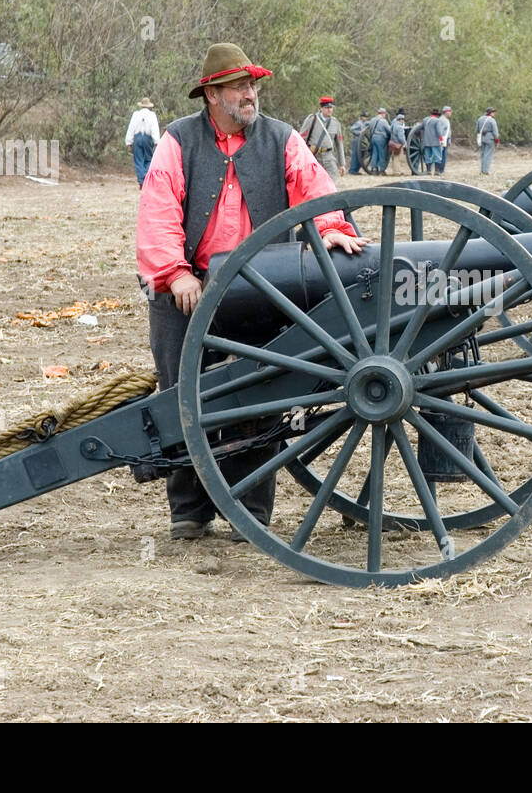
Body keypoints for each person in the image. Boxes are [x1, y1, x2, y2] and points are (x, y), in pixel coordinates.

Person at [137, 43, 368, 540]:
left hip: (262, 285)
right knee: (181, 393)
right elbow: (157, 211)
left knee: (259, 394)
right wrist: (175, 274)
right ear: (213, 94)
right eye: (241, 86)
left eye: (254, 85)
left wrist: (330, 226)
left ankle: (249, 511)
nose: (251, 94)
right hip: (189, 284)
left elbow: (313, 185)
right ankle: (190, 510)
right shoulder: (178, 140)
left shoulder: (280, 138)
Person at [299, 97, 344, 181]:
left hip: (329, 157)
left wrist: (342, 164)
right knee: (315, 184)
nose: (329, 110)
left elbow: (339, 144)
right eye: (327, 108)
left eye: (331, 108)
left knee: (332, 183)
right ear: (321, 108)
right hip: (314, 157)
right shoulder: (312, 120)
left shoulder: (335, 123)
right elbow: (301, 139)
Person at [125, 98, 161, 186]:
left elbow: (131, 127)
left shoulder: (136, 114)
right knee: (148, 159)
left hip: (137, 138)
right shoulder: (152, 115)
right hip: (147, 138)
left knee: (138, 160)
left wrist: (129, 141)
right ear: (149, 106)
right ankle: (146, 178)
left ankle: (141, 180)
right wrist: (156, 141)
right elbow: (154, 128)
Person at [421, 107, 447, 175]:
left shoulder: (425, 120)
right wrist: (441, 139)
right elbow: (439, 131)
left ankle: (428, 171)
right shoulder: (437, 121)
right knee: (437, 156)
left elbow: (421, 129)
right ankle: (436, 171)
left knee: (427, 156)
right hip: (435, 141)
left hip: (426, 141)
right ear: (437, 115)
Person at [476, 107, 499, 177]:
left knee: (483, 154)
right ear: (490, 113)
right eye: (493, 112)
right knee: (488, 155)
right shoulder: (492, 120)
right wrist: (497, 139)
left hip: (482, 138)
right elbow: (495, 132)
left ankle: (482, 170)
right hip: (490, 138)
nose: (494, 113)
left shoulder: (479, 119)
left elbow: (476, 129)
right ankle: (486, 171)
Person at [369, 108, 392, 175]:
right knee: (382, 154)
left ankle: (373, 169)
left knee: (375, 153)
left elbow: (370, 128)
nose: (385, 115)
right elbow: (389, 130)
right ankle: (381, 170)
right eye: (384, 114)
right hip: (381, 138)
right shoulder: (383, 121)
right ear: (382, 113)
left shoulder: (372, 120)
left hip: (373, 137)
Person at [437, 106, 452, 175]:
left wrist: (449, 140)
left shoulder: (445, 119)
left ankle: (441, 169)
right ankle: (440, 170)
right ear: (446, 112)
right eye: (449, 111)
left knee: (443, 155)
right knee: (442, 155)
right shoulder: (442, 119)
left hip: (445, 139)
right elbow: (440, 130)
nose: (451, 113)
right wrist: (442, 139)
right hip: (443, 139)